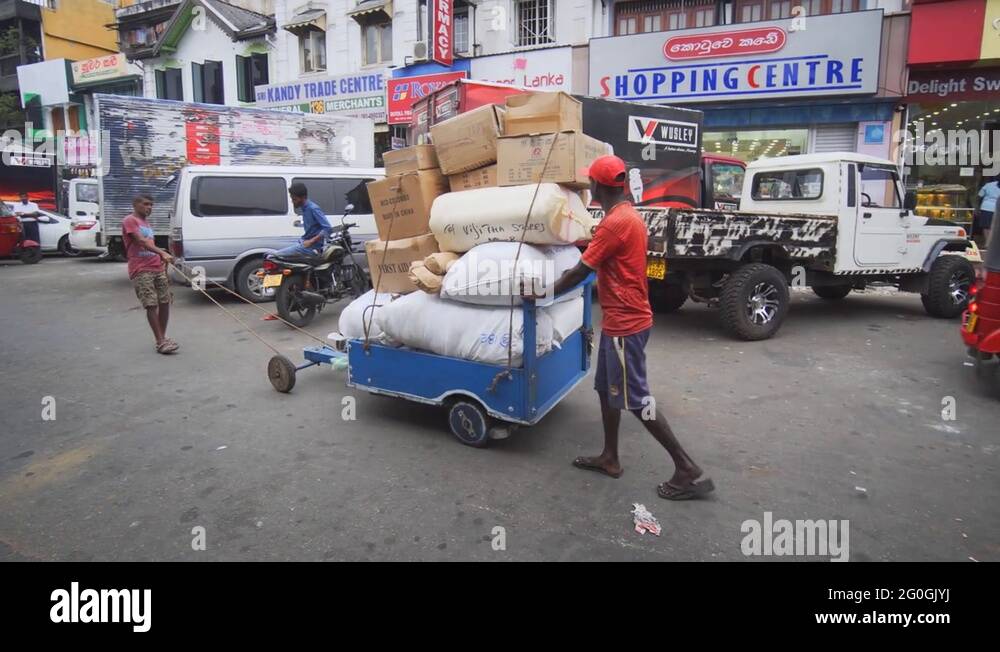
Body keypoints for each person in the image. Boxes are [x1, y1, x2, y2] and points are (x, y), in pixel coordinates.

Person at [527, 155, 714, 501]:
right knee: (604, 389)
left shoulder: (616, 224)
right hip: (620, 321)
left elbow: (580, 272)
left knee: (637, 399)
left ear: (597, 187)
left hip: (626, 325)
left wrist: (542, 293)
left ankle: (687, 468)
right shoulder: (627, 217)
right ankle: (610, 457)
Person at [122, 194, 177, 354]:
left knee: (165, 301)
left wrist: (162, 256)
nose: (149, 207)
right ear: (135, 205)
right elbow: (141, 241)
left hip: (156, 267)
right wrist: (162, 253)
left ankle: (163, 337)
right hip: (141, 269)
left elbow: (149, 244)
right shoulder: (130, 221)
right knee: (151, 304)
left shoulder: (146, 222)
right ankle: (160, 342)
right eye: (146, 204)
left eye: (151, 205)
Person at [274, 183, 332, 257]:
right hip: (303, 241)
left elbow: (328, 228)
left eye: (294, 199)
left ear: (303, 197)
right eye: (292, 199)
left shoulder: (313, 208)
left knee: (274, 256)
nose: (292, 202)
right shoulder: (304, 208)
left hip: (312, 247)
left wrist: (311, 241)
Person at [977, 179, 999, 247]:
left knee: (986, 227)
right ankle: (992, 244)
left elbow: (980, 196)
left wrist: (977, 207)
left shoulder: (988, 185)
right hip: (997, 208)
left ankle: (987, 243)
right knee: (995, 227)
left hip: (986, 207)